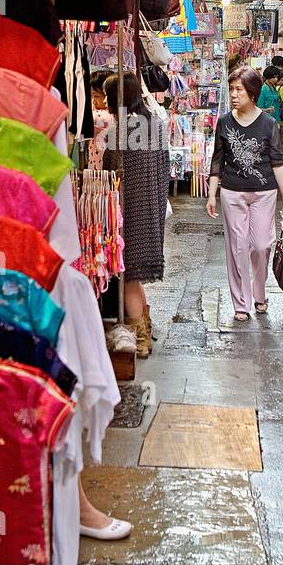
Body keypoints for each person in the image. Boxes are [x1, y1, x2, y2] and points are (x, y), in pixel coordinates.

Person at [208, 67, 283, 323]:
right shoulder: (224, 121)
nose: (234, 94)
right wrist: (213, 193)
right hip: (232, 192)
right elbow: (217, 159)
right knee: (237, 248)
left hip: (264, 193)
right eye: (232, 89)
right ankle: (241, 303)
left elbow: (277, 162)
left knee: (261, 245)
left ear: (253, 92)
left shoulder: (269, 123)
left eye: (239, 89)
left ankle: (260, 293)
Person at [103, 72, 169, 358]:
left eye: (108, 95)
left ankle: (139, 341)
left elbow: (111, 172)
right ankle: (145, 330)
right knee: (136, 277)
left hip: (129, 213)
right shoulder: (153, 124)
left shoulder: (123, 131)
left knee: (128, 275)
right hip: (150, 212)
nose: (104, 100)